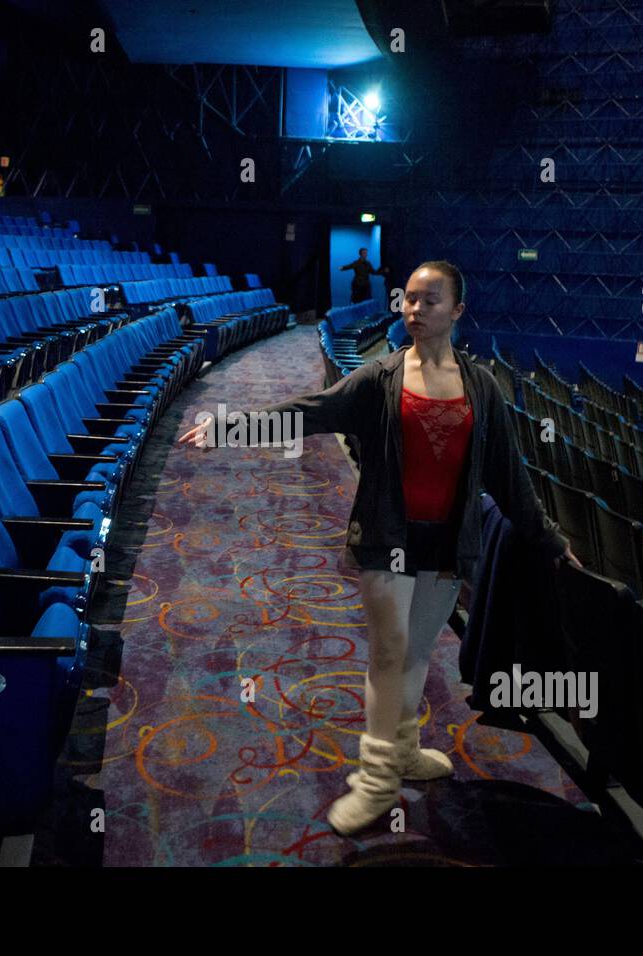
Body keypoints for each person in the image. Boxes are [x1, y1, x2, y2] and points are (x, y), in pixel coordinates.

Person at [178, 260, 579, 835]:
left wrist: (551, 541)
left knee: (416, 654)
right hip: (386, 539)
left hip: (445, 546)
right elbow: (309, 414)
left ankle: (406, 747)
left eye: (429, 301)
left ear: (458, 311)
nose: (414, 310)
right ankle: (375, 780)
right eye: (409, 300)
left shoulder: (482, 386)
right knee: (389, 652)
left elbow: (510, 477)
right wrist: (228, 426)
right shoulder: (380, 378)